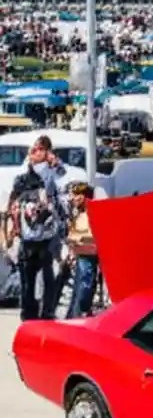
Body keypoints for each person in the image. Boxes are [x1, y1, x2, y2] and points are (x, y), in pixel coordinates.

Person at [13, 136, 66, 320]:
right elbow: (14, 202)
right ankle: (28, 311)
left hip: (47, 234)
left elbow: (61, 173)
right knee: (27, 275)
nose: (34, 152)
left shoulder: (51, 172)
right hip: (28, 235)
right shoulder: (23, 175)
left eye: (39, 149)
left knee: (47, 273)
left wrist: (54, 161)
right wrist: (13, 229)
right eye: (33, 149)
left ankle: (47, 311)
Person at [64, 182, 98, 318]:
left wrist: (78, 239)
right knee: (77, 291)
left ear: (84, 196)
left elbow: (95, 235)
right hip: (79, 256)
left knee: (84, 288)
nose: (72, 198)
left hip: (88, 256)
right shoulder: (78, 214)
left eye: (76, 195)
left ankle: (82, 312)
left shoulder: (92, 213)